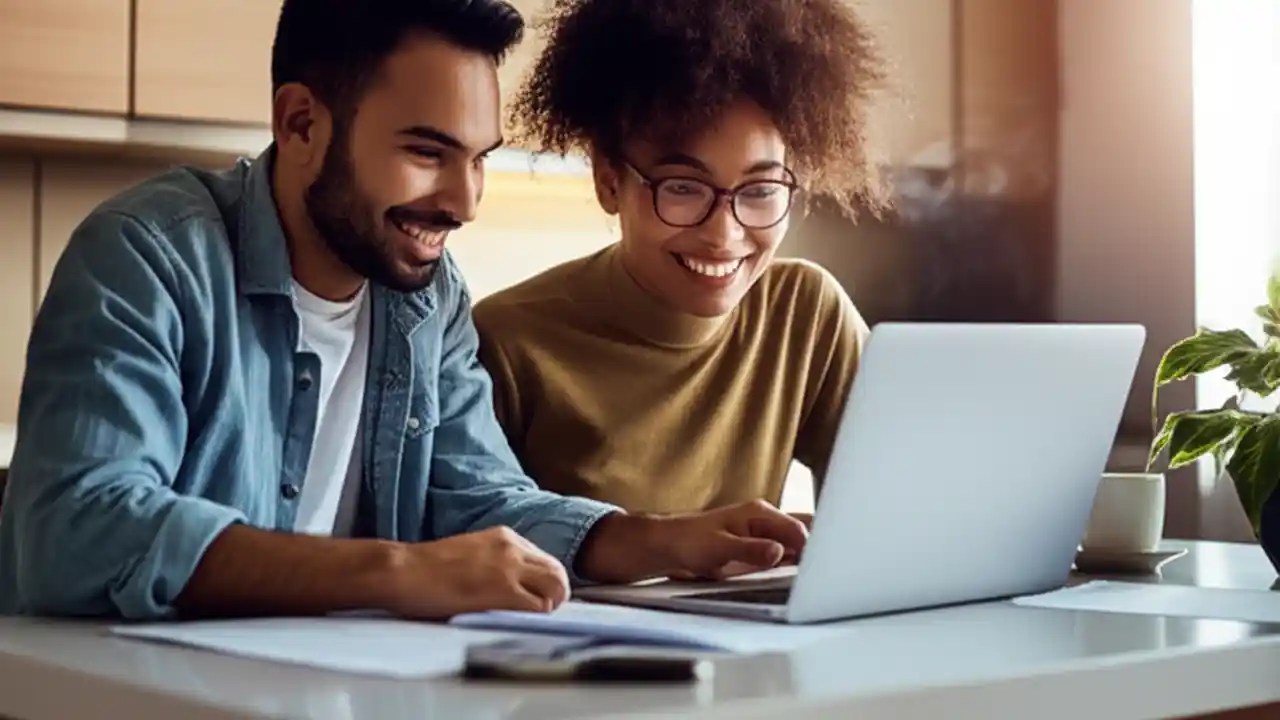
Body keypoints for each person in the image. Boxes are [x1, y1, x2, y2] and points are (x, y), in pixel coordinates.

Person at [0, 0, 808, 621]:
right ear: (302, 123)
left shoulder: (427, 295)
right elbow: (76, 530)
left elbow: (481, 498)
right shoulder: (147, 255)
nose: (464, 201)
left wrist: (659, 539)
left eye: (478, 159)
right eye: (426, 152)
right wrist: (396, 572)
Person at [474, 0, 885, 521]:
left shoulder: (805, 314)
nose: (724, 234)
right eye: (684, 188)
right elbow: (471, 537)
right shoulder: (508, 342)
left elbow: (896, 504)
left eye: (759, 190)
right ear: (608, 181)